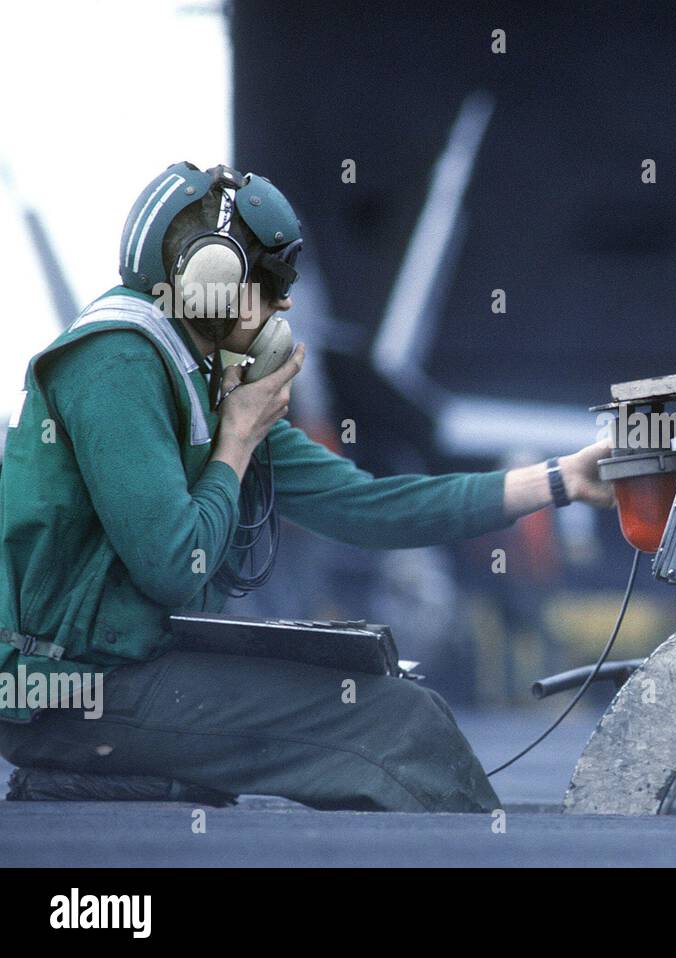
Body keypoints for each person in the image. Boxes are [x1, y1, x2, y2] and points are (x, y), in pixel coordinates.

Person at [0, 161, 613, 812]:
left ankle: (106, 782)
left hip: (124, 669)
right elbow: (174, 566)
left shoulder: (206, 383)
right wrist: (235, 442)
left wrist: (560, 478)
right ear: (210, 280)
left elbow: (369, 508)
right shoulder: (116, 363)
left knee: (400, 701)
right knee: (395, 726)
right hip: (67, 689)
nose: (284, 303)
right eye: (270, 280)